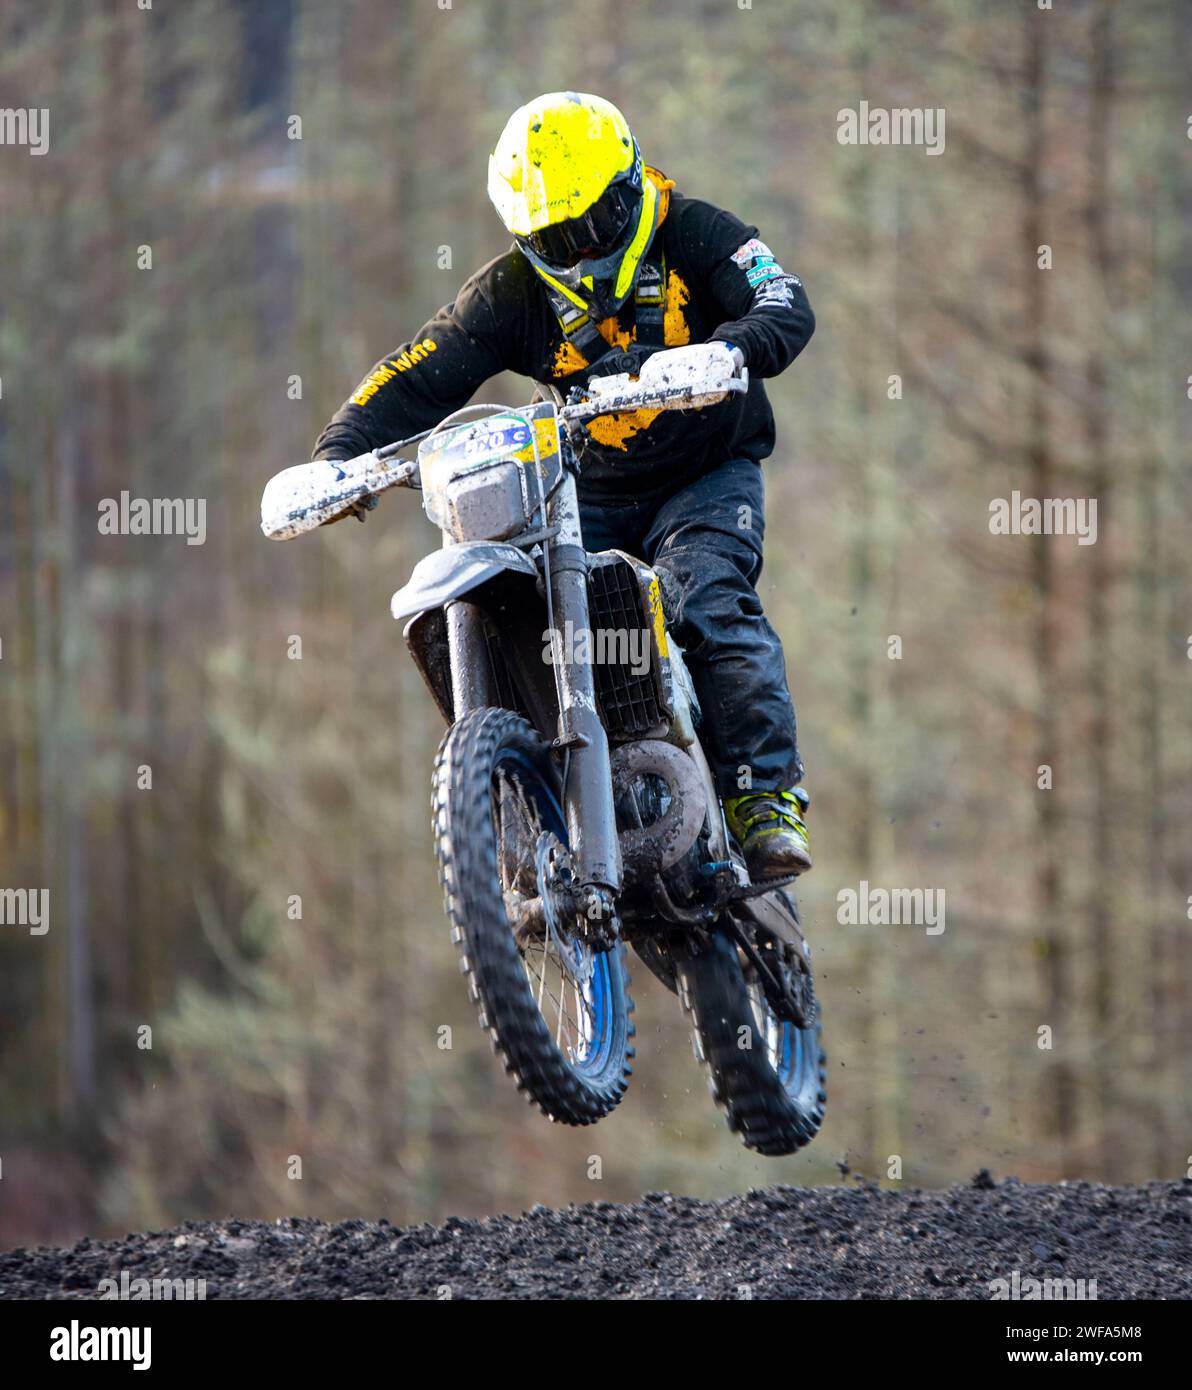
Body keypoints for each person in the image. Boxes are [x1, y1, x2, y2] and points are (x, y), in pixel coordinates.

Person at [313, 92, 816, 880]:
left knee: (703, 597)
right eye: (554, 237)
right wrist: (337, 456)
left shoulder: (694, 230)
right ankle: (543, 816)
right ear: (523, 236)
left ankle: (764, 796)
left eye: (594, 226)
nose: (579, 253)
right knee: (534, 624)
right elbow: (422, 368)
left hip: (709, 476)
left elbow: (783, 298)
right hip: (590, 497)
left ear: (629, 187)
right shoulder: (511, 291)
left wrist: (731, 349)